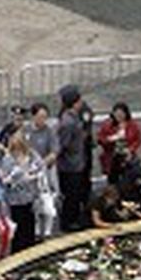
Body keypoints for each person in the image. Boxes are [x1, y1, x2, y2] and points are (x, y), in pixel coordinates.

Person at [57, 86, 91, 232]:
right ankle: (68, 222)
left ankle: (75, 218)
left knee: (77, 193)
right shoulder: (68, 122)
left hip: (78, 162)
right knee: (71, 195)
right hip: (70, 165)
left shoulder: (74, 118)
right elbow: (63, 144)